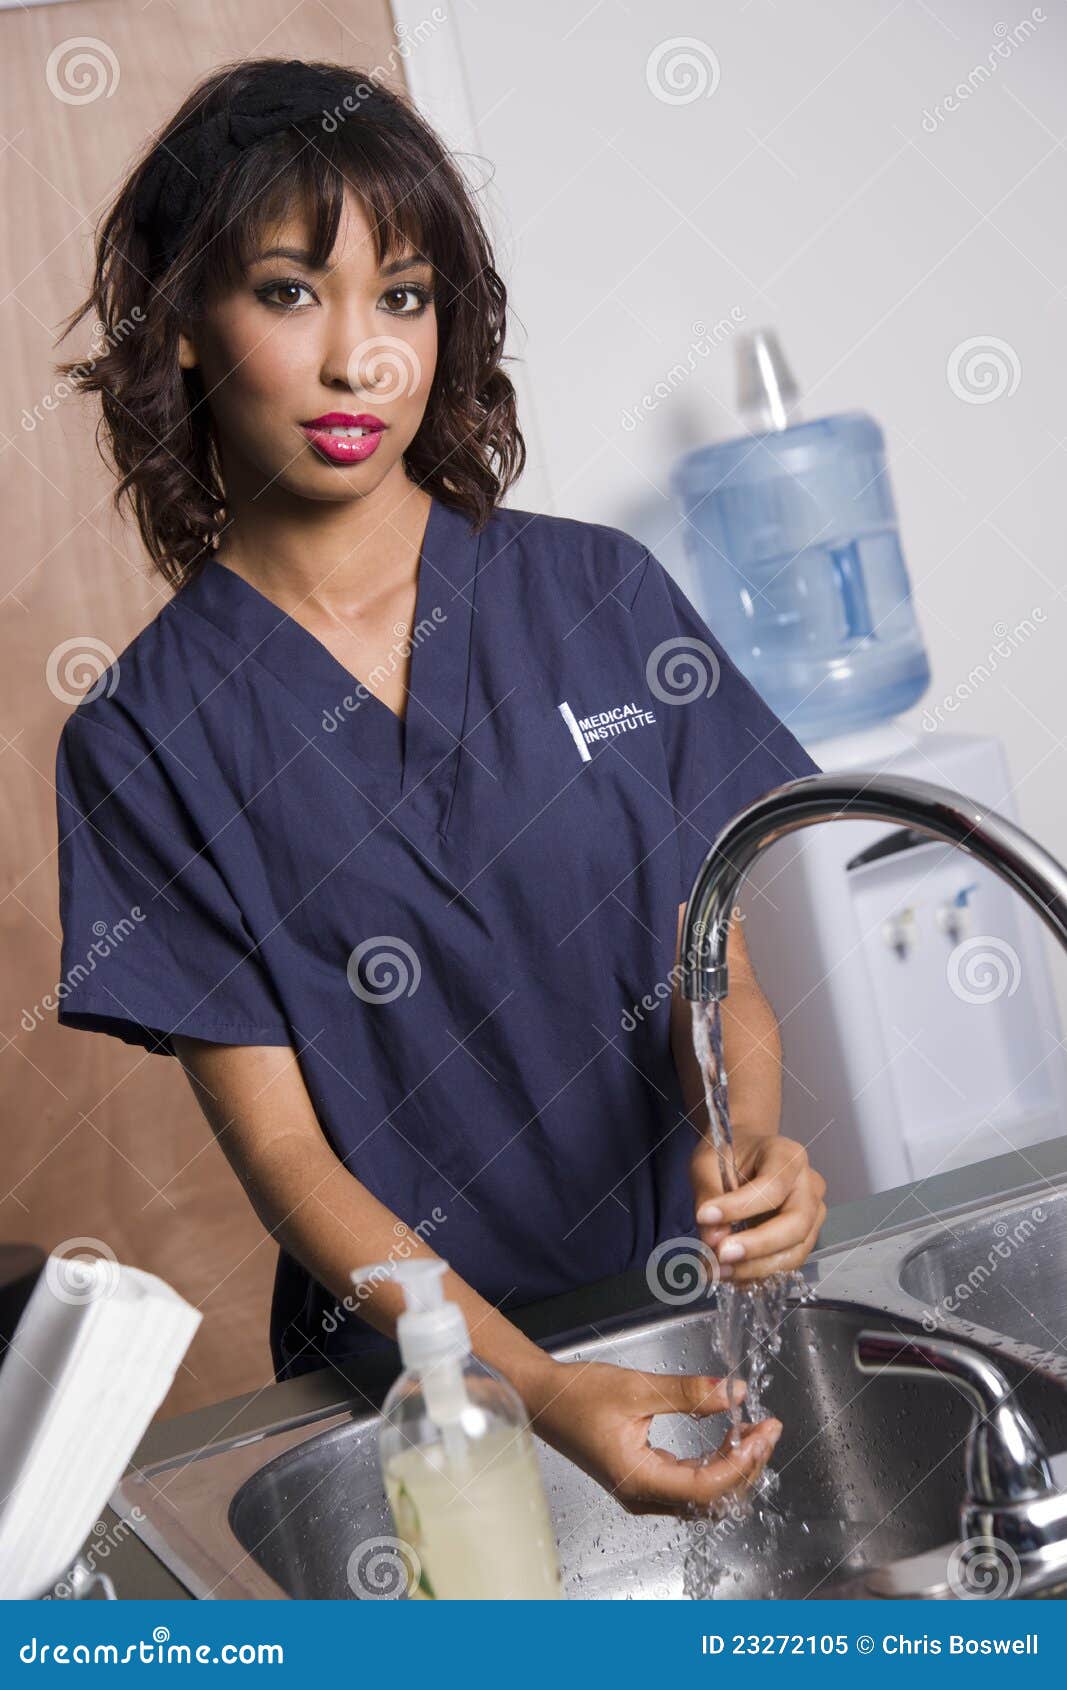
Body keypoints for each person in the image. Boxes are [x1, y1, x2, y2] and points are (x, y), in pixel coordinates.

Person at [53, 57, 826, 1518]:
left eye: (403, 296)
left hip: (695, 1322)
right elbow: (283, 1147)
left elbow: (702, 970)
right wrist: (530, 1387)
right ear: (181, 325)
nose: (362, 361)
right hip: (422, 1399)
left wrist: (750, 1145)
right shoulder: (145, 731)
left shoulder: (600, 594)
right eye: (291, 292)